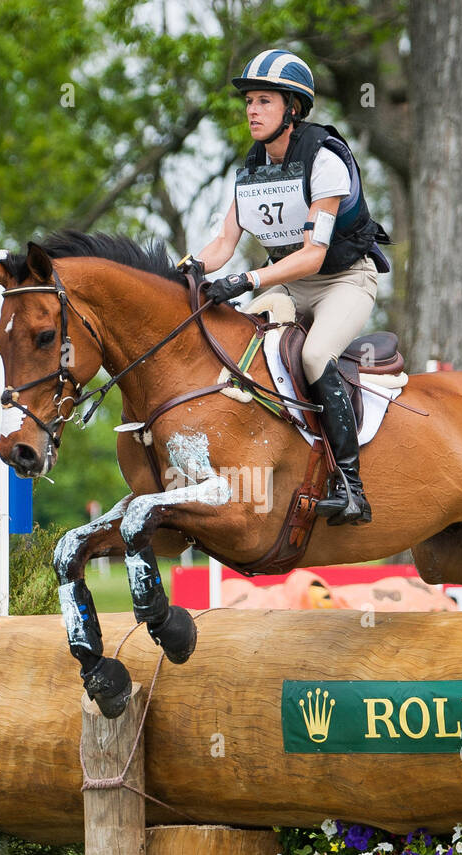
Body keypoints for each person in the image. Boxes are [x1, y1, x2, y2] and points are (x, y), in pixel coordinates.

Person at [182, 48, 392, 526]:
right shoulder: (252, 169)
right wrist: (187, 268)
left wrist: (247, 279)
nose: (251, 110)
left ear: (291, 109)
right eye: (249, 102)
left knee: (316, 357)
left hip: (344, 281)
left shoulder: (326, 160)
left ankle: (352, 488)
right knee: (242, 348)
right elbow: (222, 244)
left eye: (263, 101)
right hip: (290, 286)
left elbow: (314, 255)